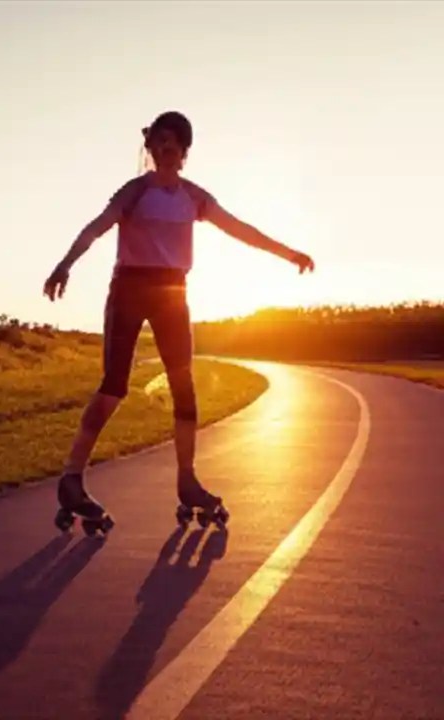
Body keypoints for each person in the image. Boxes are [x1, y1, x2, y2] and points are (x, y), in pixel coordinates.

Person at [42, 111, 315, 534]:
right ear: (151, 150)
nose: (167, 151)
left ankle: (187, 481)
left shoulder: (194, 197)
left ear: (185, 154)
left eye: (175, 145)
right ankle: (72, 478)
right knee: (114, 386)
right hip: (130, 289)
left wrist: (289, 253)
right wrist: (65, 264)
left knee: (184, 389)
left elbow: (241, 230)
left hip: (173, 293)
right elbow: (97, 228)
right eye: (160, 144)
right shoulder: (134, 192)